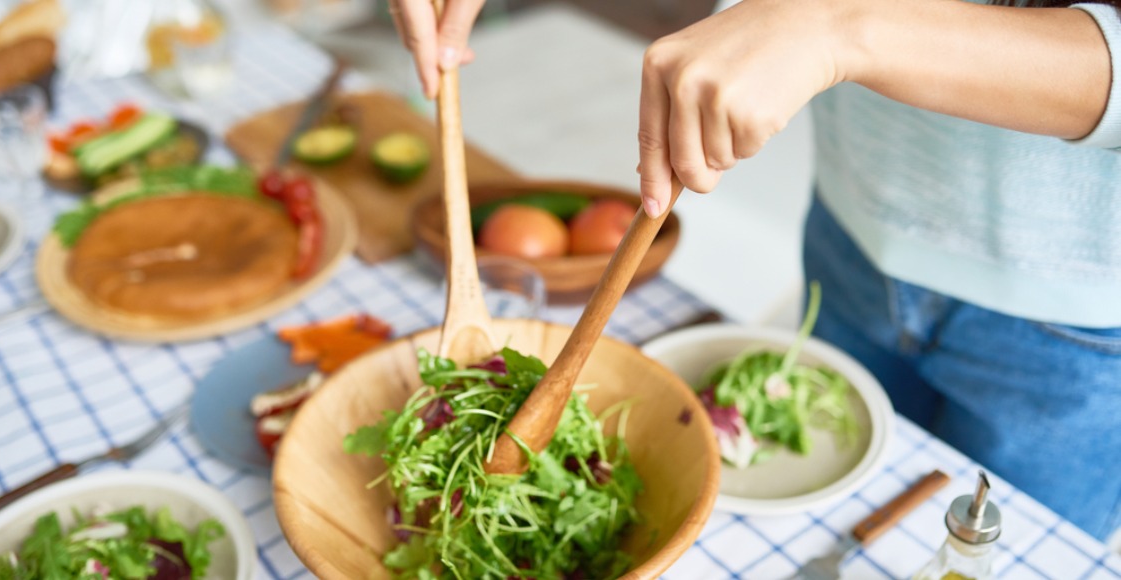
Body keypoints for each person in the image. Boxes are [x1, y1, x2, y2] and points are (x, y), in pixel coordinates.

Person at [384, 0, 1121, 541]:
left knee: (1000, 551)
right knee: (833, 528)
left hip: (1076, 320)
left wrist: (838, 26)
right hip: (852, 229)